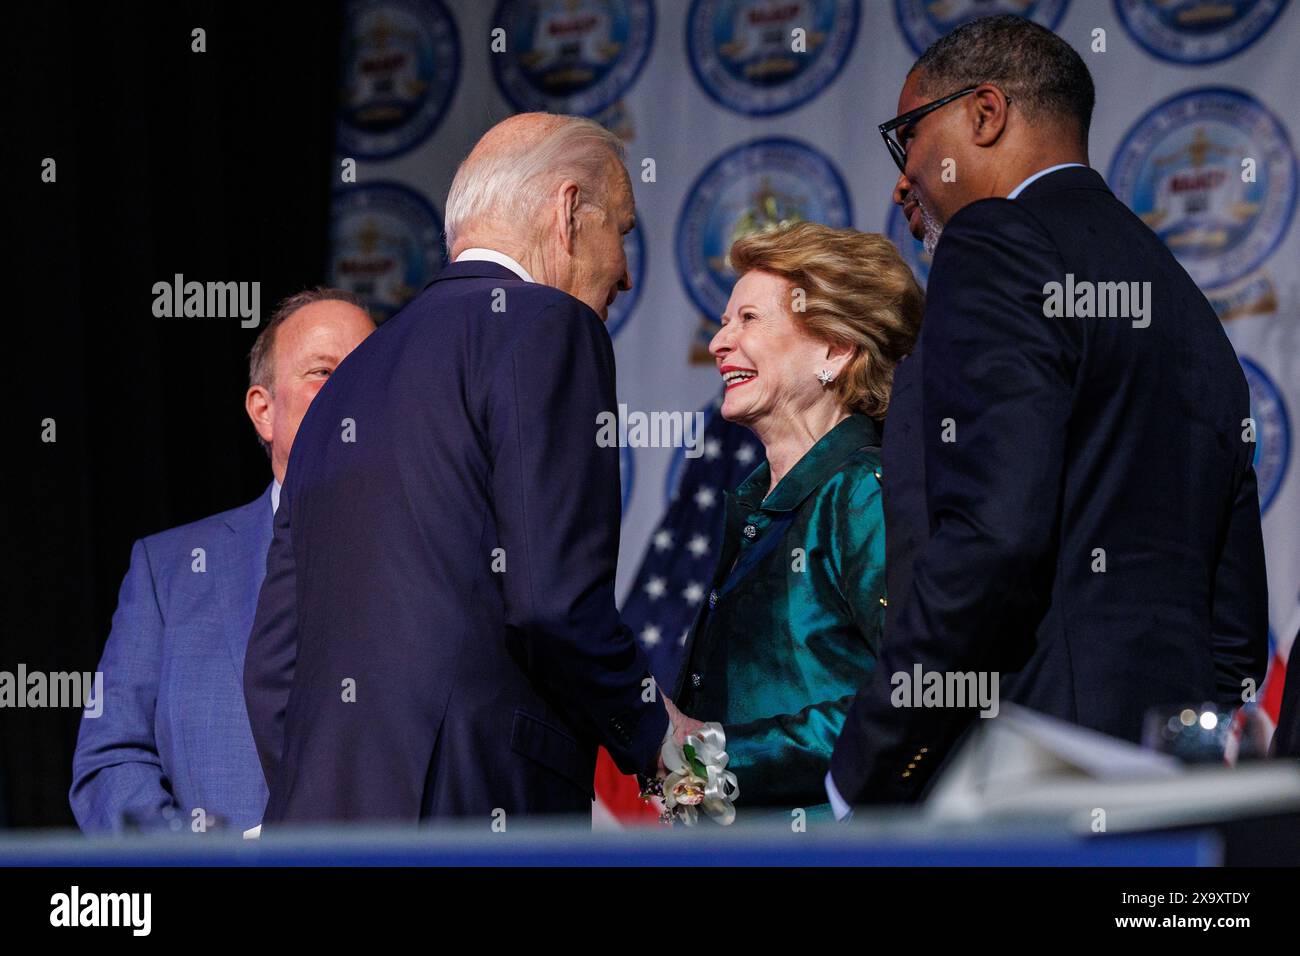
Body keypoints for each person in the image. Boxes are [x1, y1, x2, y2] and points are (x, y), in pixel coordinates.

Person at [829, 14, 1268, 811]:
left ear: (985, 115)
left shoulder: (994, 241)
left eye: (909, 138)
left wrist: (868, 764)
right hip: (1166, 793)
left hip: (1029, 783)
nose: (902, 178)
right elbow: (1233, 619)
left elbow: (993, 541)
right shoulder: (1186, 304)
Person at [244, 113, 700, 825]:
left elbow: (271, 670)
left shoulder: (342, 388)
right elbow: (554, 603)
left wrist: (336, 795)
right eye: (623, 228)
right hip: (475, 812)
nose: (626, 268)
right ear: (569, 211)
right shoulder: (546, 324)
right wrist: (663, 742)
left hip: (316, 828)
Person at [70, 289, 375, 832]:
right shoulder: (167, 573)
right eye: (323, 372)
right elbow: (111, 760)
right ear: (264, 410)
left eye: (372, 371)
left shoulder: (446, 555)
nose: (355, 391)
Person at [672, 222, 921, 818]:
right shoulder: (761, 507)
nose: (719, 343)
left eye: (749, 320)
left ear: (836, 350)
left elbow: (908, 702)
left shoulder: (863, 494)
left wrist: (706, 755)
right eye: (725, 321)